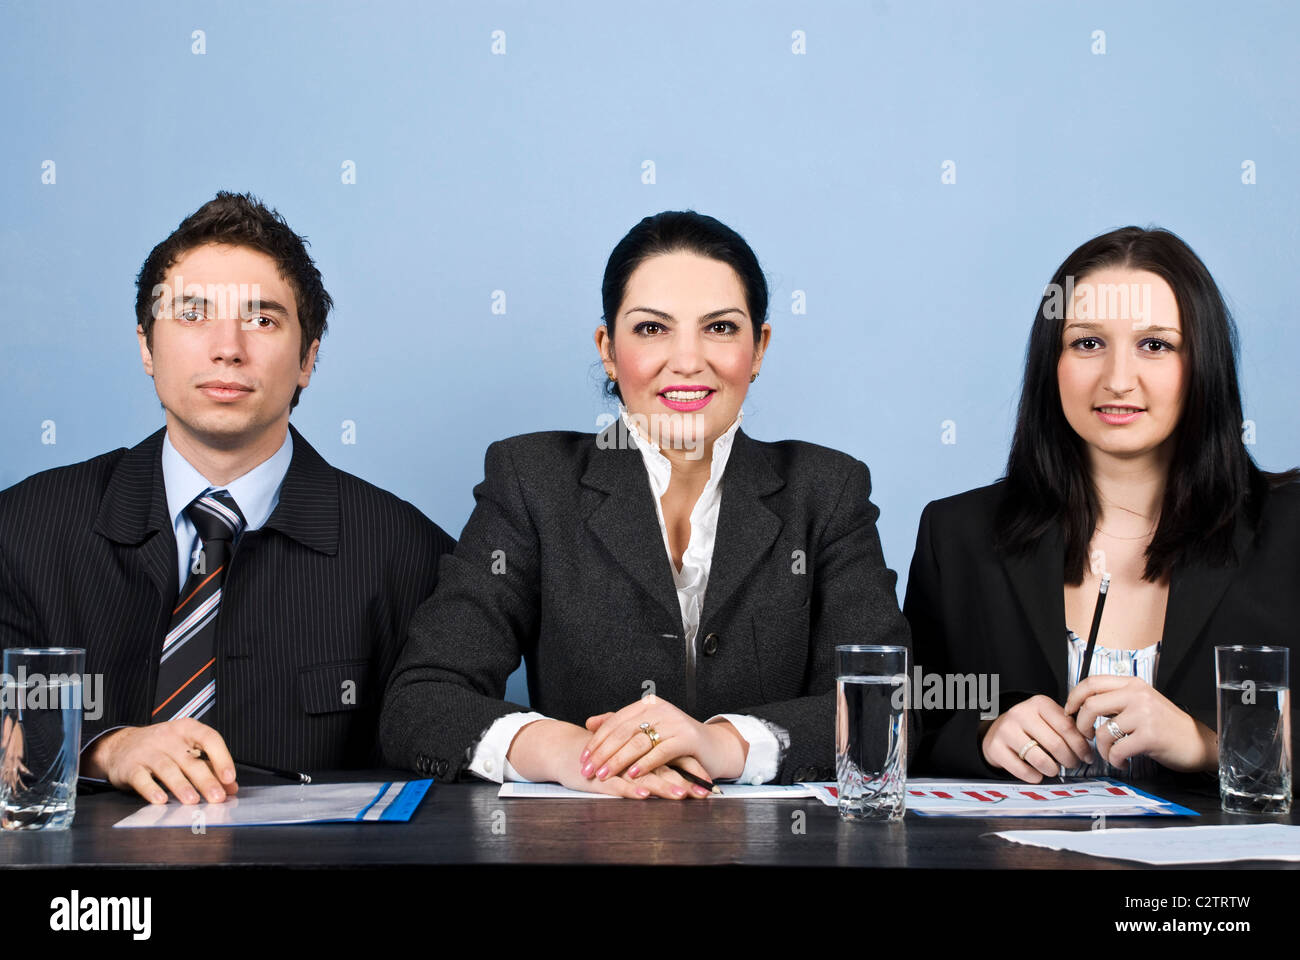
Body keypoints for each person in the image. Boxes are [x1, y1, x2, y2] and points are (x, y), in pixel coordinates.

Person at [381, 210, 910, 797]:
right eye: (653, 328)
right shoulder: (532, 480)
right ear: (608, 349)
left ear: (759, 348)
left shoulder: (827, 490)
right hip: (588, 838)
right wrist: (569, 752)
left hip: (778, 843)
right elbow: (419, 702)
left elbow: (889, 703)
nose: (687, 361)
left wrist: (722, 744)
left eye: (720, 327)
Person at [0, 192, 454, 805]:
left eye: (262, 321)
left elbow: (441, 750)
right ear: (146, 346)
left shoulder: (410, 553)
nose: (228, 348)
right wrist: (101, 747)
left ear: (308, 359)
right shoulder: (25, 527)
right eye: (192, 315)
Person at [905, 226, 1300, 783]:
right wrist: (983, 734)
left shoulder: (1289, 530)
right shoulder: (957, 533)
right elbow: (907, 720)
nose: (1117, 379)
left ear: (1203, 363)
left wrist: (1207, 744)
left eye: (1155, 345)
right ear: (1051, 362)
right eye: (1088, 343)